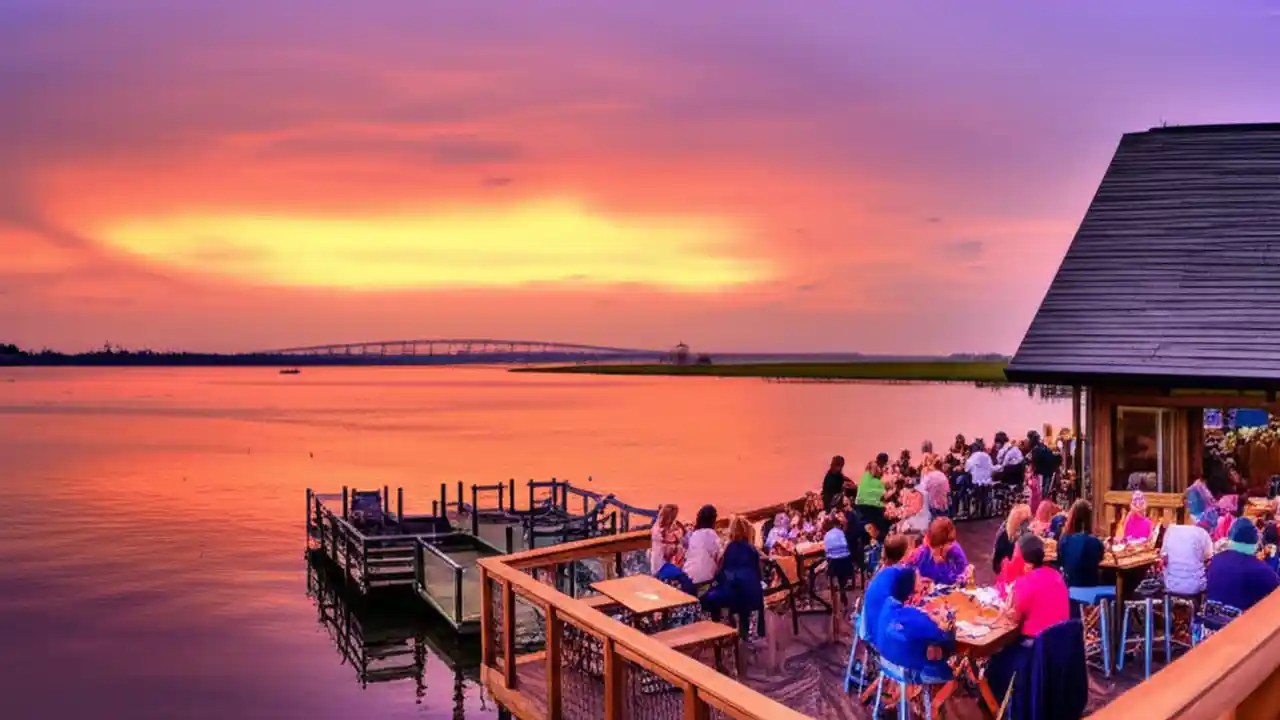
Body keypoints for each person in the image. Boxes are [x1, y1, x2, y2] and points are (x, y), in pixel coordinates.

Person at [987, 534, 1071, 700]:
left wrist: (1008, 590)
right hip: (1061, 648)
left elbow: (1011, 621)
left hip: (1036, 651)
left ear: (1024, 562)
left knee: (995, 663)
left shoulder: (1025, 583)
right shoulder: (1056, 576)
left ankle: (1001, 707)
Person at [877, 566, 956, 685]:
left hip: (885, 662)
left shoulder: (887, 605)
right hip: (910, 673)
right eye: (920, 588)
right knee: (956, 659)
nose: (923, 591)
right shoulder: (916, 619)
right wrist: (945, 619)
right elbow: (946, 639)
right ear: (911, 597)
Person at [701, 516, 765, 639]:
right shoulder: (752, 549)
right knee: (742, 595)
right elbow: (758, 574)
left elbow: (721, 573)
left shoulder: (729, 548)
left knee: (710, 597)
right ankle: (743, 633)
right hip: (753, 595)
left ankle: (717, 629)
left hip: (735, 592)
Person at [1206, 518, 1280, 613]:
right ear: (1255, 541)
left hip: (1209, 622)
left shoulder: (1216, 559)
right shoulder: (1260, 569)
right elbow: (1276, 592)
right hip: (1240, 625)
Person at [858, 534, 912, 640]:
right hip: (879, 633)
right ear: (904, 553)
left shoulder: (882, 569)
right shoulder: (899, 573)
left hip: (868, 625)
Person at [1162, 511, 1213, 597]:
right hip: (1195, 586)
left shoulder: (1170, 531)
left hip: (1171, 584)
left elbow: (1164, 558)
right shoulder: (1201, 533)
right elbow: (1209, 558)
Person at [1058, 500, 1104, 588]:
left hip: (1069, 587)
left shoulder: (1064, 541)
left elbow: (1061, 560)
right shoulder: (1095, 542)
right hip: (1091, 587)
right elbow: (1100, 559)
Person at [910, 517, 968, 585]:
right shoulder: (922, 551)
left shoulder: (955, 551)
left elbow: (961, 575)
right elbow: (908, 570)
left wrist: (941, 564)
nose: (934, 550)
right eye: (933, 547)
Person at [651, 504, 694, 590]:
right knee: (685, 577)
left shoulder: (673, 527)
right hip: (661, 566)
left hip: (673, 563)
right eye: (673, 517)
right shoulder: (658, 531)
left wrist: (684, 531)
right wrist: (681, 533)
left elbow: (686, 543)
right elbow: (672, 544)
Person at [682, 504, 722, 585]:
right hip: (704, 580)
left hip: (687, 576)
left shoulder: (694, 534)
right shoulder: (711, 534)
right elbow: (719, 556)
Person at [994, 504, 1032, 574]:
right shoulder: (1004, 536)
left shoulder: (1026, 533)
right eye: (1026, 521)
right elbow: (997, 565)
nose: (1029, 523)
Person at [855, 461, 889, 538]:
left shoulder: (863, 480)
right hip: (873, 515)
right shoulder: (876, 482)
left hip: (862, 516)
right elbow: (885, 496)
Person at [1027, 430, 1060, 504]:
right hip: (1047, 472)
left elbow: (1033, 461)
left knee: (1041, 495)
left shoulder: (1037, 449)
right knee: (1043, 495)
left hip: (1042, 474)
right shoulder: (1043, 447)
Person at [823, 514, 854, 590]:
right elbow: (846, 546)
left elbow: (826, 551)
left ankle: (833, 583)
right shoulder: (842, 533)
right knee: (845, 556)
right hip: (846, 563)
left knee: (828, 559)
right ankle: (845, 583)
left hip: (833, 564)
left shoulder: (827, 535)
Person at [919, 454, 951, 520]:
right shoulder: (943, 476)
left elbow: (922, 490)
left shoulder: (928, 476)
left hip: (931, 506)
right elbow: (947, 491)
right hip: (942, 506)